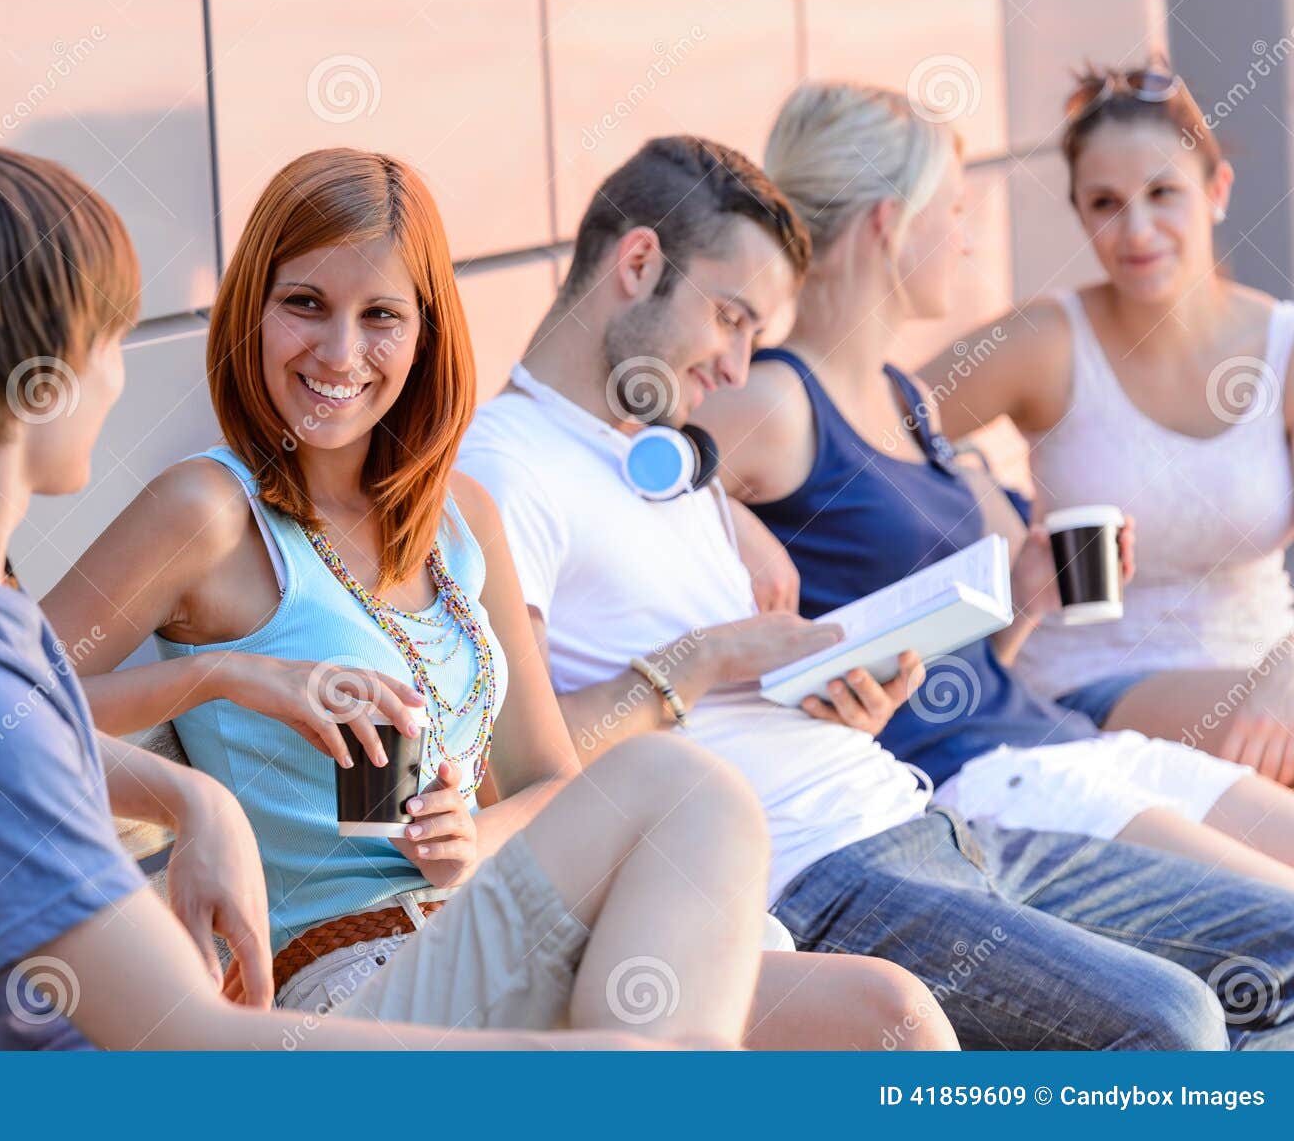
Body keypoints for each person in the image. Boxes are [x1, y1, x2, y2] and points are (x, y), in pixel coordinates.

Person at [0, 145, 691, 1051]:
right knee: (681, 813)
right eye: (112, 338)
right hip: (232, 1038)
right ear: (41, 373)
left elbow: (25, 728)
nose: (121, 377)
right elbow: (199, 1049)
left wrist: (196, 788)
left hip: (269, 1005)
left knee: (688, 829)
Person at [41, 145, 956, 1050]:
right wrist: (224, 680)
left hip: (493, 926)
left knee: (892, 1015)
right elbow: (2, 715)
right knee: (679, 787)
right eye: (304, 304)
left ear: (427, 332)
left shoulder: (461, 519)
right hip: (347, 984)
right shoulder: (206, 510)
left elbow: (551, 780)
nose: (340, 352)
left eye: (382, 316)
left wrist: (472, 836)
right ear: (254, 311)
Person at [460, 131, 1294, 1049]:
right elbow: (516, 769)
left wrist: (840, 697)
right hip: (820, 872)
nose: (738, 368)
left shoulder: (654, 445)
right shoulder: (504, 470)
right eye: (732, 317)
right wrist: (706, 657)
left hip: (923, 815)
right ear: (639, 262)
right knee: (1172, 1023)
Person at [701, 79, 1294, 894]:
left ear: (1215, 190)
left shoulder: (898, 400)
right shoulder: (780, 401)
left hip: (1051, 735)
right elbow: (635, 464)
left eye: (1164, 192)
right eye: (953, 211)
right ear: (890, 223)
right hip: (1000, 762)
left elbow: (947, 632)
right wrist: (725, 513)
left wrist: (1023, 588)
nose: (969, 238)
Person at [919, 62, 1294, 788]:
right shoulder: (1047, 342)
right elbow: (872, 423)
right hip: (1091, 680)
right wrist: (976, 495)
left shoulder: (1284, 350)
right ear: (1081, 214)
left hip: (1271, 677)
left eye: (1163, 194)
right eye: (1105, 203)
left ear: (1216, 192)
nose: (1138, 231)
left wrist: (1283, 675)